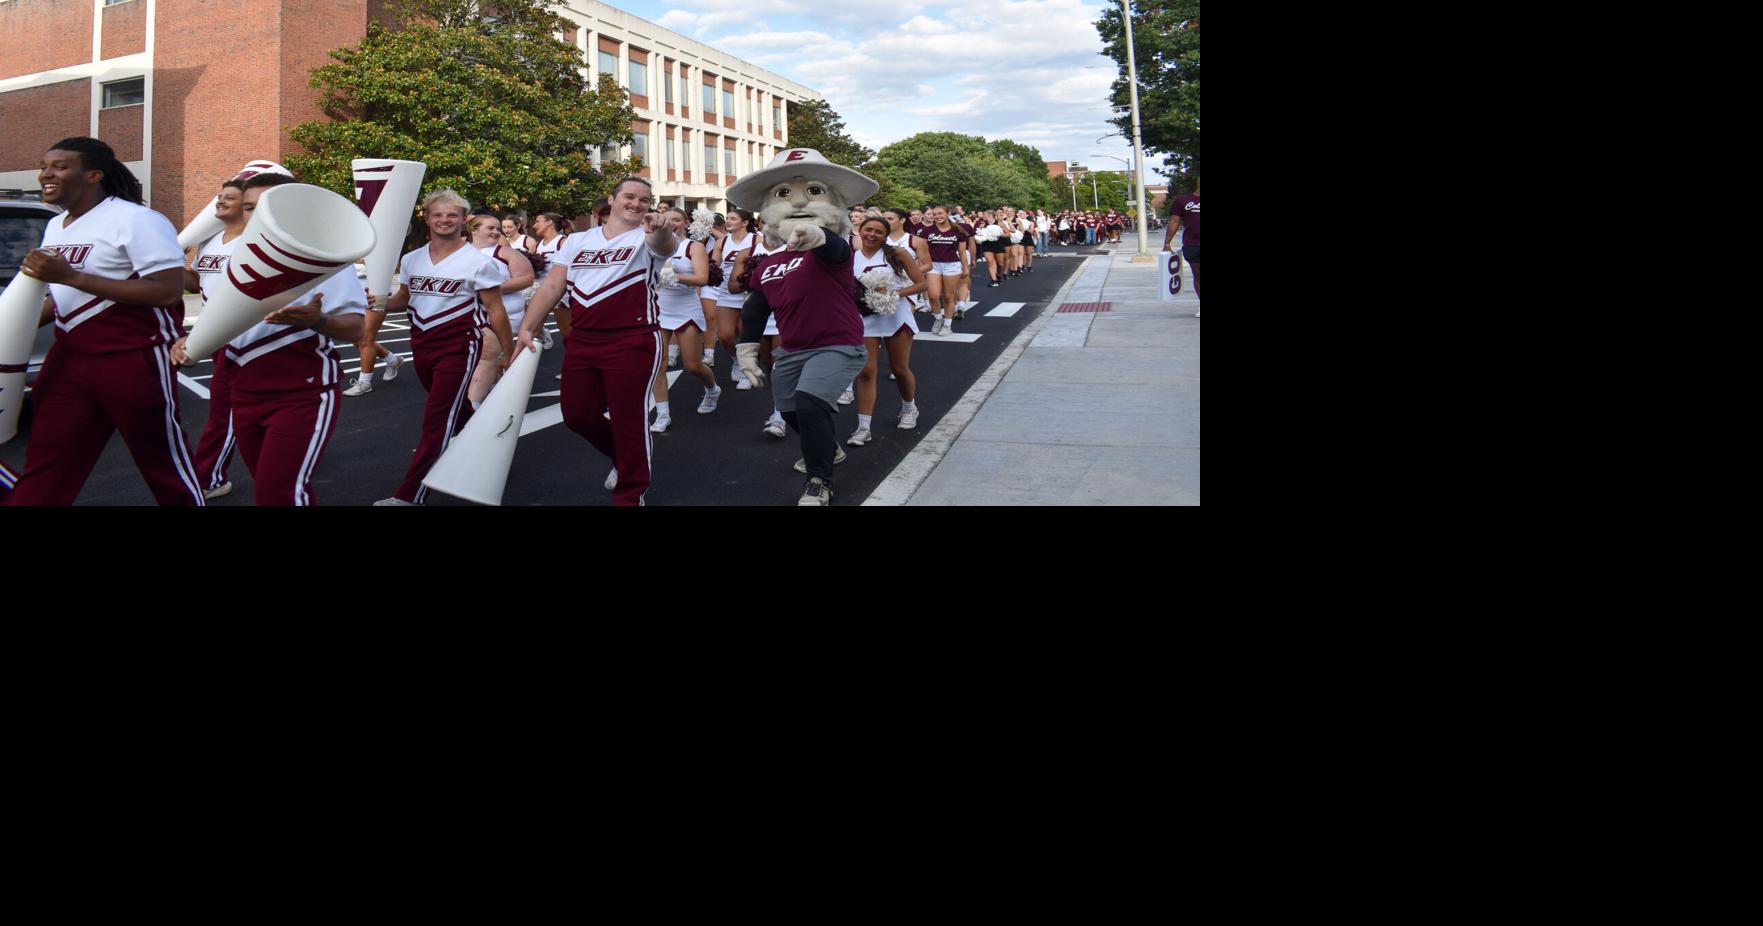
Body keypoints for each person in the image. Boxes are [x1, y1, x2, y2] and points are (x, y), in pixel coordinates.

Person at [4, 136, 205, 506]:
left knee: (162, 463)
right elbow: (60, 300)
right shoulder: (56, 226)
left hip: (133, 358)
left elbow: (167, 291)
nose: (46, 174)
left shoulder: (138, 220)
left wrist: (71, 277)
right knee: (48, 461)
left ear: (94, 175)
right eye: (45, 166)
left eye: (60, 167)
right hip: (68, 359)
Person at [170, 172, 367, 505]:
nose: (255, 215)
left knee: (280, 493)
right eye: (249, 208)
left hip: (303, 393)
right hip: (242, 392)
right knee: (269, 488)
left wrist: (317, 319)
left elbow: (356, 329)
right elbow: (218, 319)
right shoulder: (228, 257)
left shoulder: (323, 259)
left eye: (266, 207)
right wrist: (190, 341)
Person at [725, 148, 877, 506]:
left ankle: (819, 479)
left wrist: (819, 235)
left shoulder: (830, 253)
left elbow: (837, 250)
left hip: (837, 343)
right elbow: (756, 308)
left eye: (812, 192)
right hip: (792, 349)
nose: (797, 204)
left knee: (810, 403)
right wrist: (746, 350)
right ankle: (829, 448)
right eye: (784, 195)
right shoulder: (767, 264)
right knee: (790, 408)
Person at [515, 176, 674, 506]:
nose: (636, 203)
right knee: (577, 415)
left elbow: (665, 244)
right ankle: (625, 458)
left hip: (633, 340)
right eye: (629, 197)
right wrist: (528, 328)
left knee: (628, 420)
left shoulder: (647, 237)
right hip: (583, 340)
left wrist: (659, 226)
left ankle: (630, 494)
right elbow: (552, 287)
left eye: (644, 200)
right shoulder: (577, 241)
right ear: (612, 201)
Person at [373, 189, 514, 506]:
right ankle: (489, 445)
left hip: (460, 345)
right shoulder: (411, 259)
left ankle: (410, 495)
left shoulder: (478, 262)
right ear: (427, 218)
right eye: (438, 214)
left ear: (464, 220)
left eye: (452, 215)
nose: (444, 220)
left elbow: (496, 310)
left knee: (437, 418)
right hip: (421, 344)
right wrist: (377, 299)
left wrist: (509, 351)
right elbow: (402, 300)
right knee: (454, 408)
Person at [182, 177, 248, 500]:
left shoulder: (252, 242)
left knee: (226, 411)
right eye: (219, 197)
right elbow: (196, 284)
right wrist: (172, 258)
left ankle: (209, 476)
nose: (219, 202)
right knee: (233, 410)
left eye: (229, 198)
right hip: (212, 333)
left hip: (240, 335)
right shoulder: (210, 241)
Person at [846, 216, 927, 447]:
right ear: (860, 231)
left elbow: (921, 283)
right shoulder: (850, 257)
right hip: (865, 319)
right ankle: (863, 427)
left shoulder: (897, 254)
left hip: (895, 316)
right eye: (868, 229)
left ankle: (909, 407)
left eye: (879, 231)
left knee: (899, 369)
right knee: (866, 371)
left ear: (885, 235)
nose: (872, 234)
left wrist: (893, 295)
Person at [649, 205, 719, 433]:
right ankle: (662, 414)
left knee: (692, 364)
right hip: (659, 308)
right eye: (666, 219)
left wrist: (672, 275)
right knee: (658, 364)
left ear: (686, 223)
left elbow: (701, 278)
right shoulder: (651, 245)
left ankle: (712, 389)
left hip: (686, 308)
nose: (671, 223)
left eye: (677, 219)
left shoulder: (693, 246)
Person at [465, 214, 534, 408]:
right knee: (483, 358)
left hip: (505, 314)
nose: (496, 232)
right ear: (474, 230)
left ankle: (473, 407)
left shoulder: (504, 253)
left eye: (498, 228)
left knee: (487, 356)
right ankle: (488, 392)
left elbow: (526, 277)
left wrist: (490, 288)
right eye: (491, 228)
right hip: (470, 315)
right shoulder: (461, 252)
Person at [920, 205, 971, 335]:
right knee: (933, 296)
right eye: (934, 214)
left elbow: (962, 252)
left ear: (947, 213)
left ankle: (947, 325)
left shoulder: (958, 231)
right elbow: (922, 250)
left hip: (952, 265)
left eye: (940, 213)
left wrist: (965, 268)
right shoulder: (927, 231)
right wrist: (922, 265)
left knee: (949, 296)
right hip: (933, 265)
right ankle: (938, 318)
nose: (937, 216)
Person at [1162, 176, 1200, 317]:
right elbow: (1174, 221)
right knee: (1198, 276)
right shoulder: (1182, 201)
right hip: (1192, 244)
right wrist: (1167, 242)